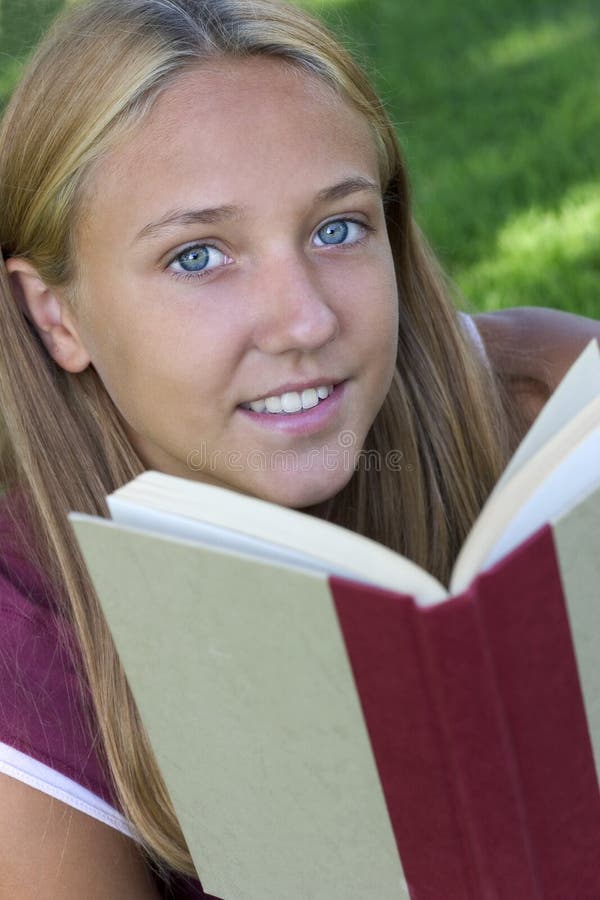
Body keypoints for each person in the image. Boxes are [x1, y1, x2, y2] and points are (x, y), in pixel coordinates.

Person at [0, 0, 597, 896]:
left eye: (337, 228)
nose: (307, 321)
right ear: (57, 314)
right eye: (199, 256)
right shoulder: (26, 634)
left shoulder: (550, 401)